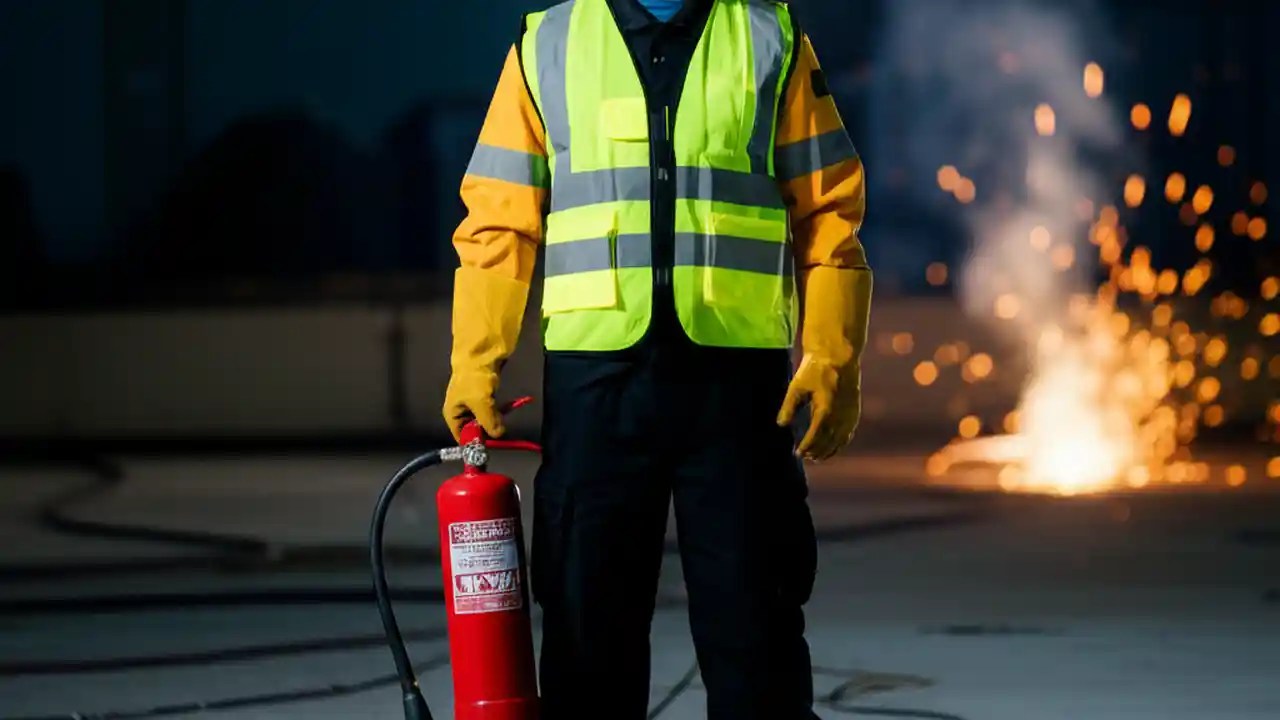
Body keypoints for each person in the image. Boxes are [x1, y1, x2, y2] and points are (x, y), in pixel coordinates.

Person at [443, 0, 872, 717]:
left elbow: (829, 211)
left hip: (736, 394)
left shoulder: (770, 36)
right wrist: (475, 361)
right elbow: (497, 222)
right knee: (586, 647)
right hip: (598, 391)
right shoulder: (547, 43)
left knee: (756, 643)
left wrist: (832, 356)